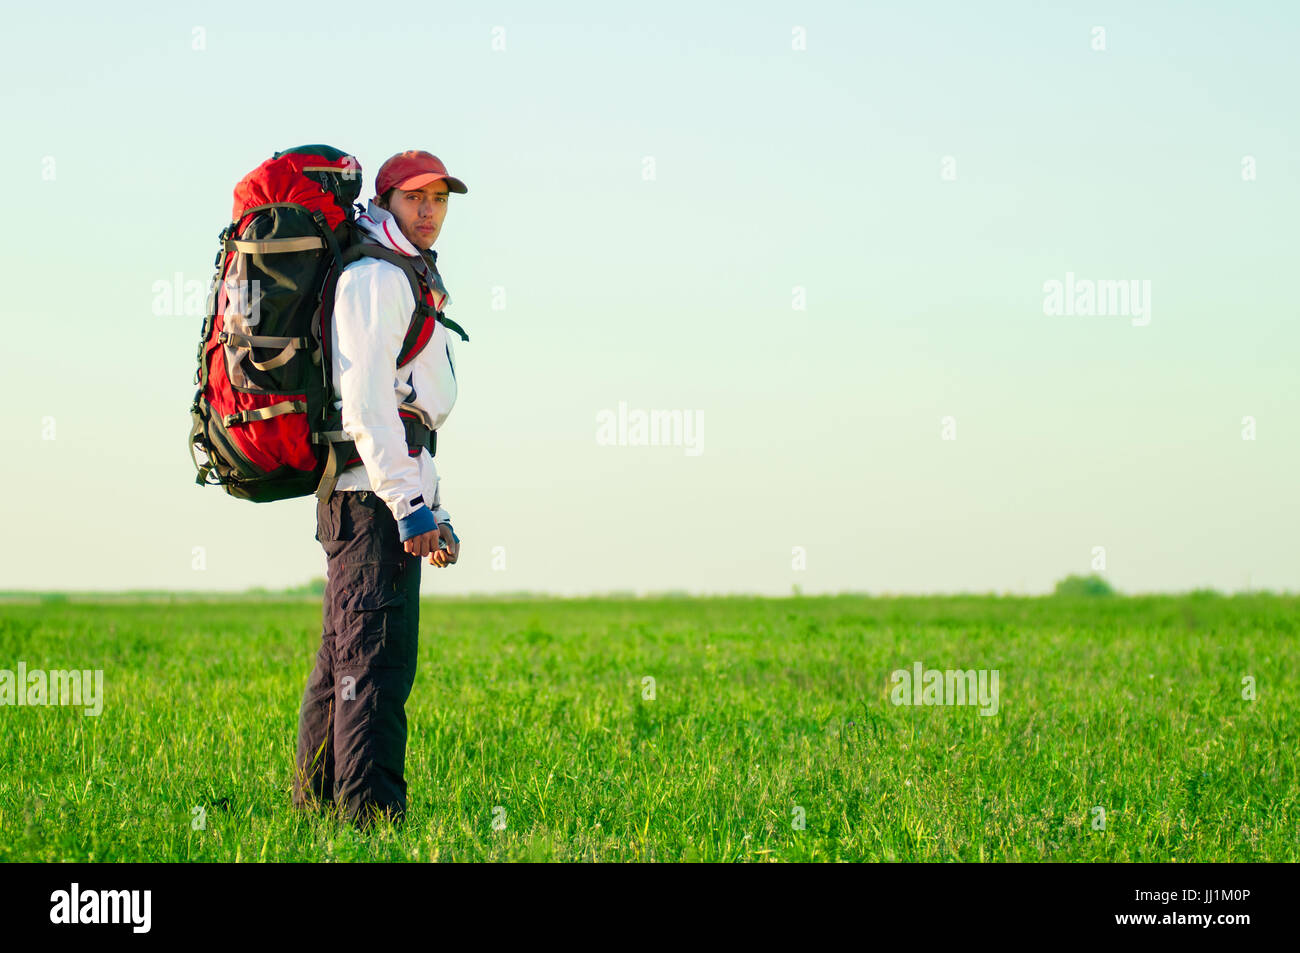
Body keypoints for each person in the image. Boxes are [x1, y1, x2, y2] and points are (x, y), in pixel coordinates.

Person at [292, 150, 469, 828]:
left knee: (345, 657)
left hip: (377, 496)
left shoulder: (403, 272)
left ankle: (318, 813)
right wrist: (410, 507)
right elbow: (368, 406)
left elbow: (409, 412)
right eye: (415, 198)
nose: (428, 211)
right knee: (375, 666)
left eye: (440, 200)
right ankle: (368, 822)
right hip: (372, 503)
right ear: (387, 201)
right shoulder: (376, 276)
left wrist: (432, 506)